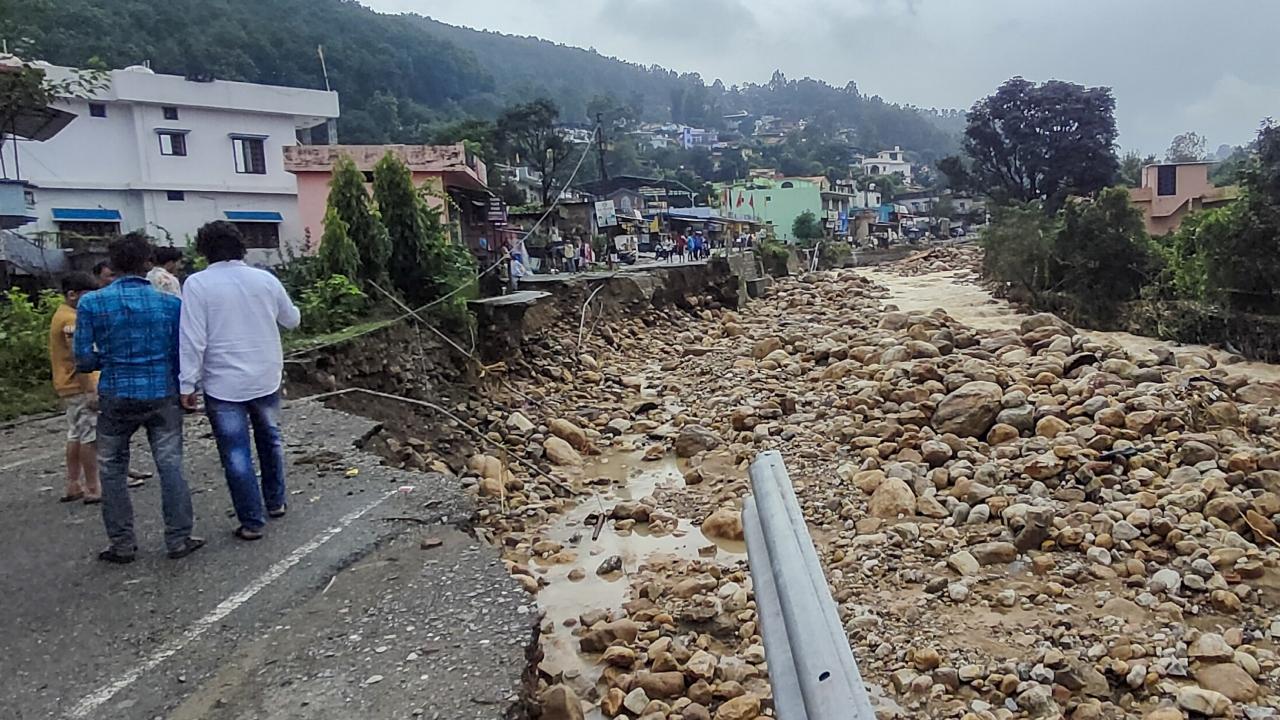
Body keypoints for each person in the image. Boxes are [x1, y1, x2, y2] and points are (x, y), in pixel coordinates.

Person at [74, 233, 204, 563]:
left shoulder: (91, 303)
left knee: (112, 469)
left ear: (112, 265)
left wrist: (108, 359)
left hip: (116, 393)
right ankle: (178, 539)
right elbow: (180, 354)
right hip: (162, 391)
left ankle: (122, 544)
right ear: (148, 262)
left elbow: (84, 359)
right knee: (170, 464)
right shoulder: (171, 304)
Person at [180, 221, 300, 542]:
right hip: (265, 376)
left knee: (236, 452)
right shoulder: (265, 280)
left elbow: (193, 340)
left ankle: (252, 521)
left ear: (203, 250)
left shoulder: (197, 285)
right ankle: (275, 502)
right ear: (241, 247)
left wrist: (186, 384)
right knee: (270, 439)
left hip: (223, 385)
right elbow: (292, 319)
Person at [50, 272, 101, 504]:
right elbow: (78, 354)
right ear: (73, 295)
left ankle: (73, 483)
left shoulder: (61, 314)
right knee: (90, 436)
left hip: (67, 384)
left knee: (76, 434)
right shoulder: (72, 319)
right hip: (79, 384)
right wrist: (90, 388)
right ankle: (93, 486)